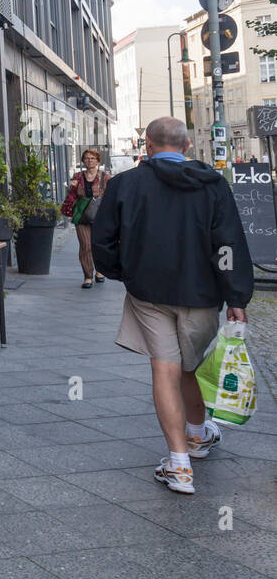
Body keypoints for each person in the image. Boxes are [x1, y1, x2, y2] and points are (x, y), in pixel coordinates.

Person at [91, 116, 253, 495]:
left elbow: (103, 239)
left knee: (165, 370)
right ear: (188, 146)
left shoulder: (125, 184)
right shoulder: (213, 185)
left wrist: (121, 272)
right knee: (189, 366)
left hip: (148, 292)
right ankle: (197, 437)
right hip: (201, 294)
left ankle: (179, 464)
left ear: (146, 145)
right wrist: (236, 297)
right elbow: (228, 244)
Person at [62, 148, 110, 288]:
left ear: (98, 161)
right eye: (87, 158)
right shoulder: (77, 177)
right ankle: (88, 276)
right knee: (86, 246)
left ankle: (100, 270)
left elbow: (112, 196)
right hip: (82, 214)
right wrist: (72, 188)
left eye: (92, 158)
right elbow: (72, 196)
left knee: (98, 244)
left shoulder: (105, 177)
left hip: (100, 215)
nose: (90, 161)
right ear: (83, 161)